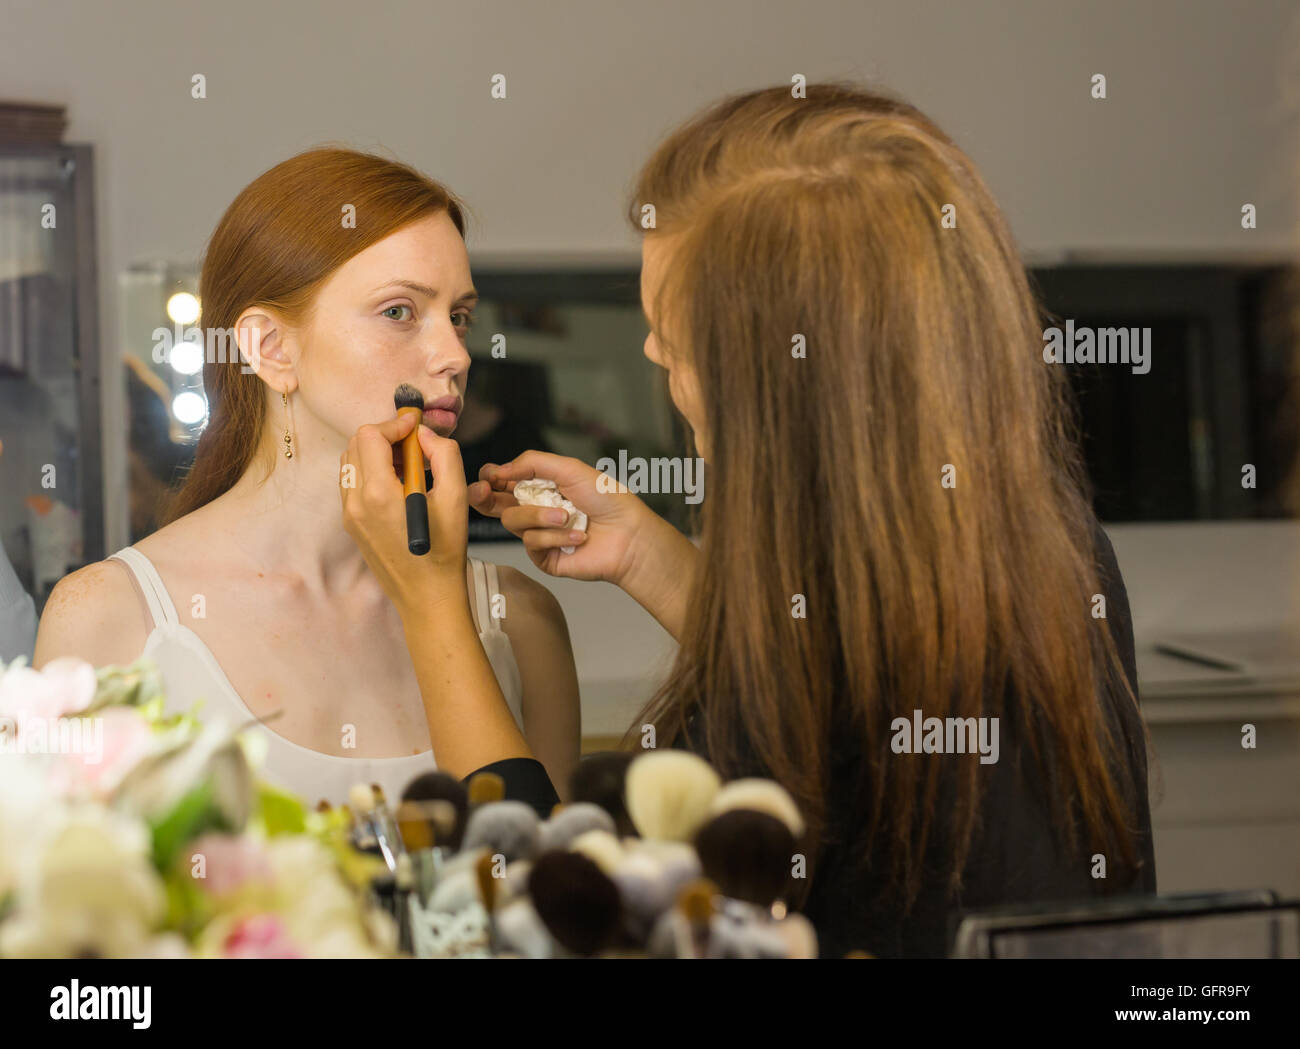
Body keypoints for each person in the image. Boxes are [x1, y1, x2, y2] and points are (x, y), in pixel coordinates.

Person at [340, 83, 1157, 958]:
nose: (653, 355)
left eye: (675, 338)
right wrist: (655, 559)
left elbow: (566, 922)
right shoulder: (1049, 552)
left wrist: (431, 607)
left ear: (773, 380)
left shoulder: (754, 729)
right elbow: (845, 698)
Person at [33, 149, 581, 805]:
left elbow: (551, 892)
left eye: (459, 316)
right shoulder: (110, 618)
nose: (457, 355)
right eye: (400, 311)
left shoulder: (518, 618)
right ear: (270, 348)